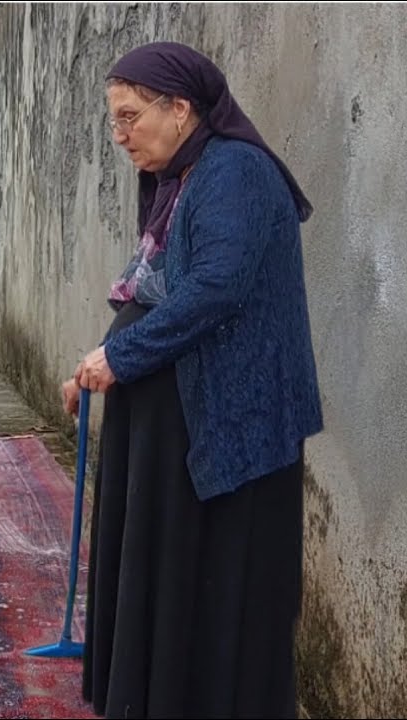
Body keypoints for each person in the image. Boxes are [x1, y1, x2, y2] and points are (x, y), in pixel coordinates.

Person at [62, 42, 323, 718]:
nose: (120, 136)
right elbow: (155, 288)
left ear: (179, 108)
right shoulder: (182, 175)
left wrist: (121, 357)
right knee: (173, 576)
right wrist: (102, 357)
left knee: (220, 582)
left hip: (232, 420)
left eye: (129, 117)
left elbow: (215, 290)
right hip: (179, 415)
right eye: (114, 122)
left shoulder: (235, 171)